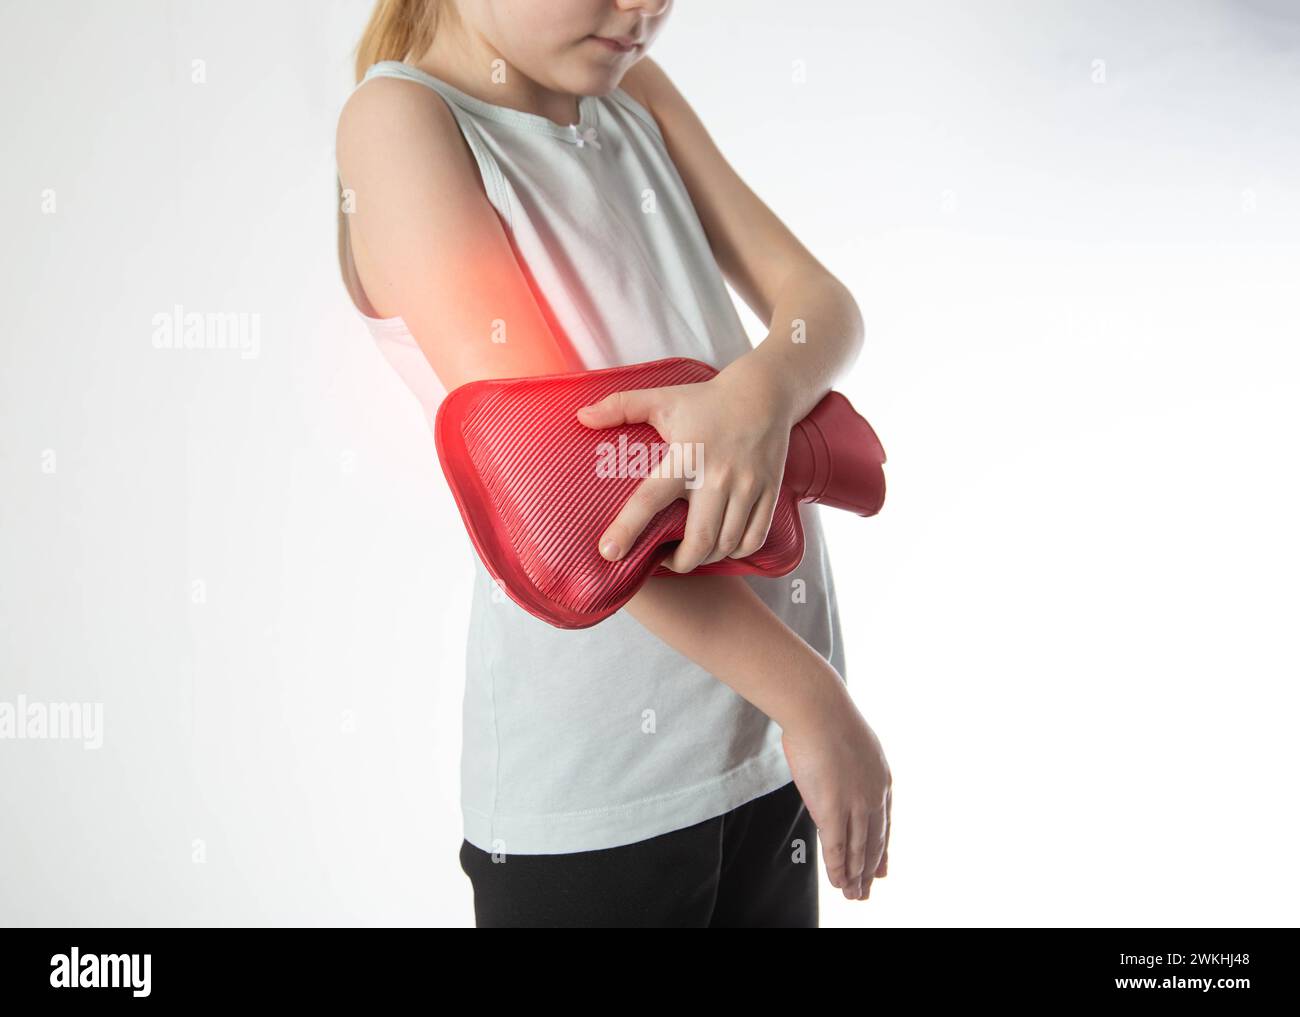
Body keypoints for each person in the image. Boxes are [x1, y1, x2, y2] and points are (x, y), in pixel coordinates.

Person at [334, 0, 891, 928]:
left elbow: (821, 304)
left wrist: (758, 393)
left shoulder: (633, 91)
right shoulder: (401, 123)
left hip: (764, 749)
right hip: (604, 799)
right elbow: (563, 500)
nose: (646, 9)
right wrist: (816, 699)